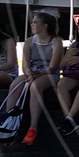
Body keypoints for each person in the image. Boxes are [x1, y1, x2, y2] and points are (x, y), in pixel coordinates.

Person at [17, 11, 64, 146]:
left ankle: (33, 127)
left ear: (45, 26)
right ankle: (10, 119)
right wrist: (28, 74)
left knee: (36, 87)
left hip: (49, 74)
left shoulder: (56, 42)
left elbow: (54, 67)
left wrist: (39, 74)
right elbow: (25, 65)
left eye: (35, 22)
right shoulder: (29, 42)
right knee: (16, 83)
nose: (32, 24)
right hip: (33, 72)